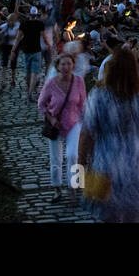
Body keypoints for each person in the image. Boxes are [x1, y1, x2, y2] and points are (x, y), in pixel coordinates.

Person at [77, 47, 139, 222]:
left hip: (104, 164)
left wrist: (80, 166)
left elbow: (86, 134)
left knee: (108, 218)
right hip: (134, 168)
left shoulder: (97, 96)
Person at [37, 53, 87, 198]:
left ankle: (74, 185)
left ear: (73, 65)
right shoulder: (51, 83)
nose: (66, 67)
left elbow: (83, 102)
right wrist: (51, 118)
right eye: (63, 64)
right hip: (56, 124)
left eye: (68, 64)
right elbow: (41, 104)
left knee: (73, 154)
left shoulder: (79, 81)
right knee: (56, 158)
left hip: (74, 122)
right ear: (58, 67)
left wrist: (85, 121)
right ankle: (56, 188)